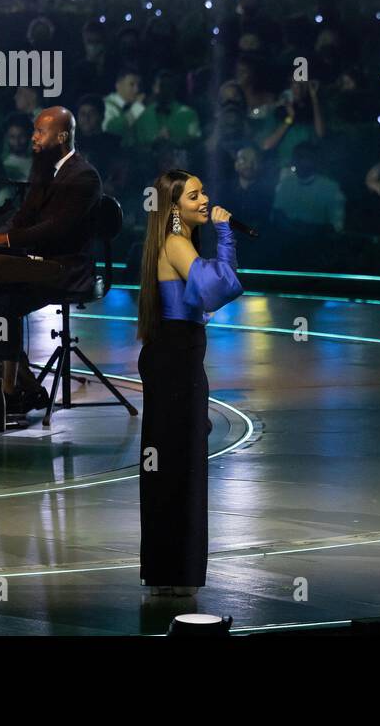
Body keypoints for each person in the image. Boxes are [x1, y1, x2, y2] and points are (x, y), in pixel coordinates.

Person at [136, 170, 244, 596]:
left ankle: (168, 570)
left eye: (204, 192)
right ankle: (174, 571)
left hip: (173, 359)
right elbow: (220, 289)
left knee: (173, 465)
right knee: (180, 467)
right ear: (174, 207)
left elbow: (203, 297)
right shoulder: (177, 243)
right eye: (194, 195)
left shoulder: (174, 241)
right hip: (176, 363)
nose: (205, 200)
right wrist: (225, 235)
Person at [0, 107, 102, 419]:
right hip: (38, 263)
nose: (33, 138)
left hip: (68, 269)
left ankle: (11, 390)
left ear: (62, 136)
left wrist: (7, 241)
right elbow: (24, 218)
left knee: (4, 306)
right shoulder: (42, 170)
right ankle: (26, 385)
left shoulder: (84, 176)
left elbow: (56, 227)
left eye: (41, 132)